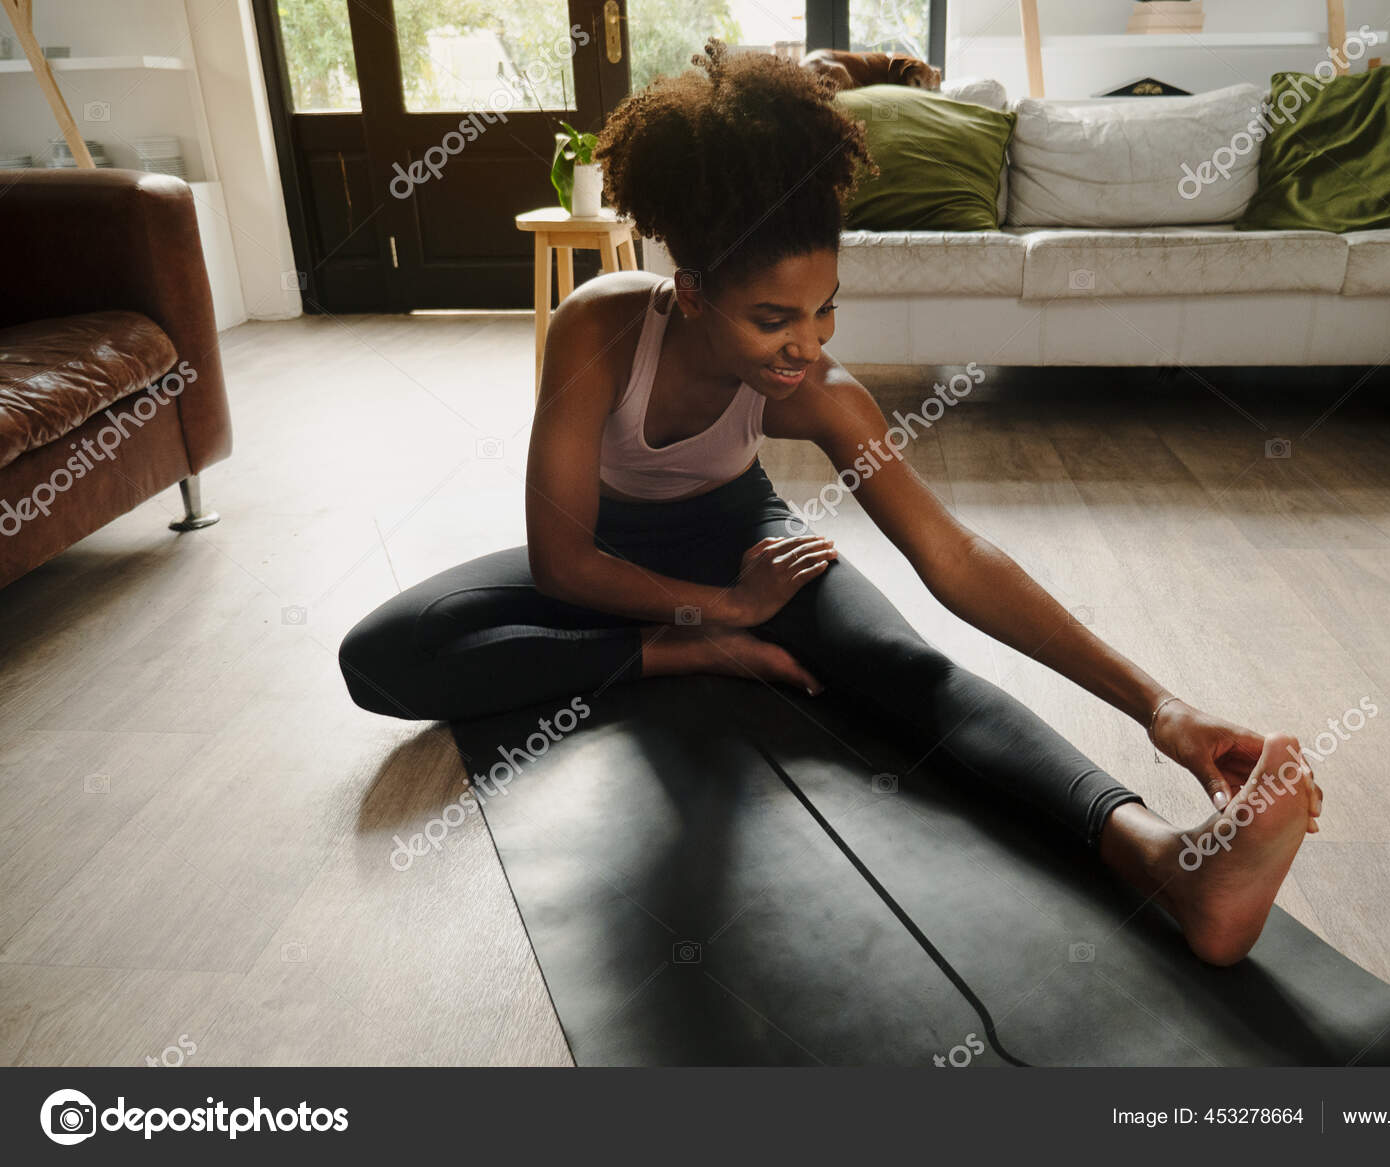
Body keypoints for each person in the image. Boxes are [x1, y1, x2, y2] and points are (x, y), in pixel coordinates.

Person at [338, 39, 1323, 967]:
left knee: (904, 671)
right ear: (688, 294)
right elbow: (562, 563)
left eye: (824, 310)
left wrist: (1163, 708)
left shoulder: (821, 393)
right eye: (771, 319)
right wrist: (715, 619)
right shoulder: (600, 330)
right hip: (609, 566)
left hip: (744, 543)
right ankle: (673, 657)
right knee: (382, 655)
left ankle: (1166, 864)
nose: (805, 345)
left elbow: (957, 558)